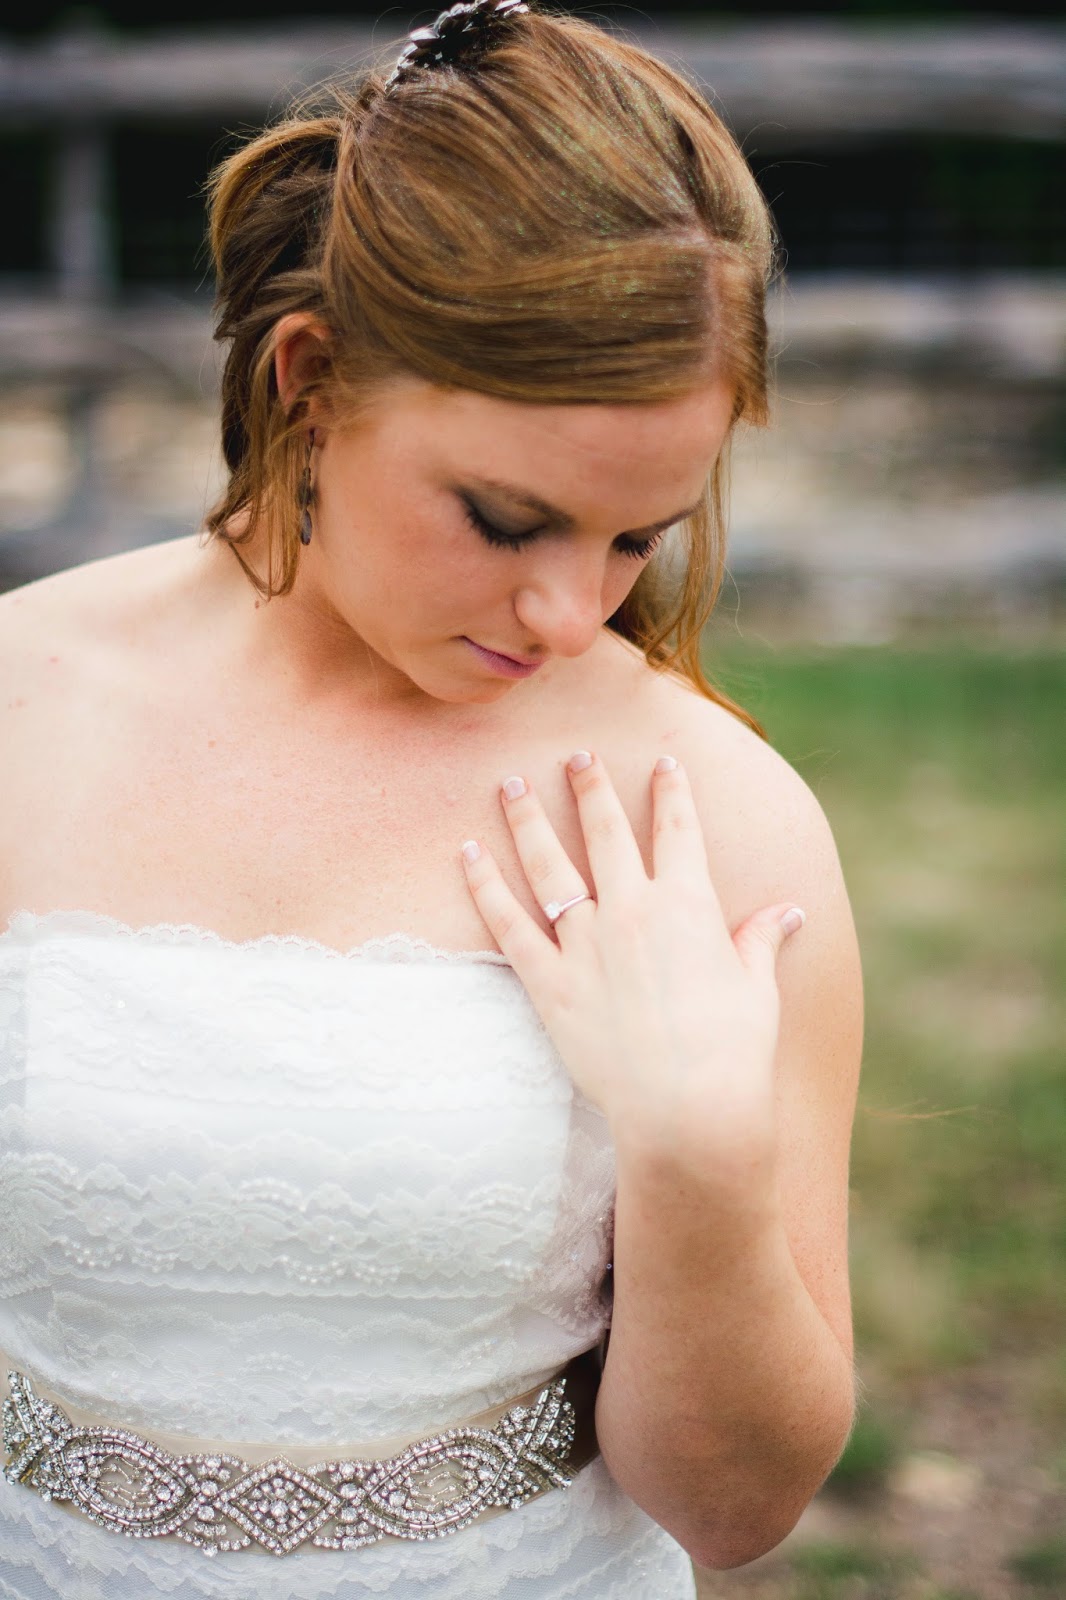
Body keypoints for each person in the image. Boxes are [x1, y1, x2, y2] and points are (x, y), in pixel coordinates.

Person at [0, 1, 863, 1595]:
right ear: (311, 376)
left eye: (633, 538)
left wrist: (693, 1153)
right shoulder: (23, 702)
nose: (569, 613)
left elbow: (736, 1512)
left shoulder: (708, 819)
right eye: (504, 516)